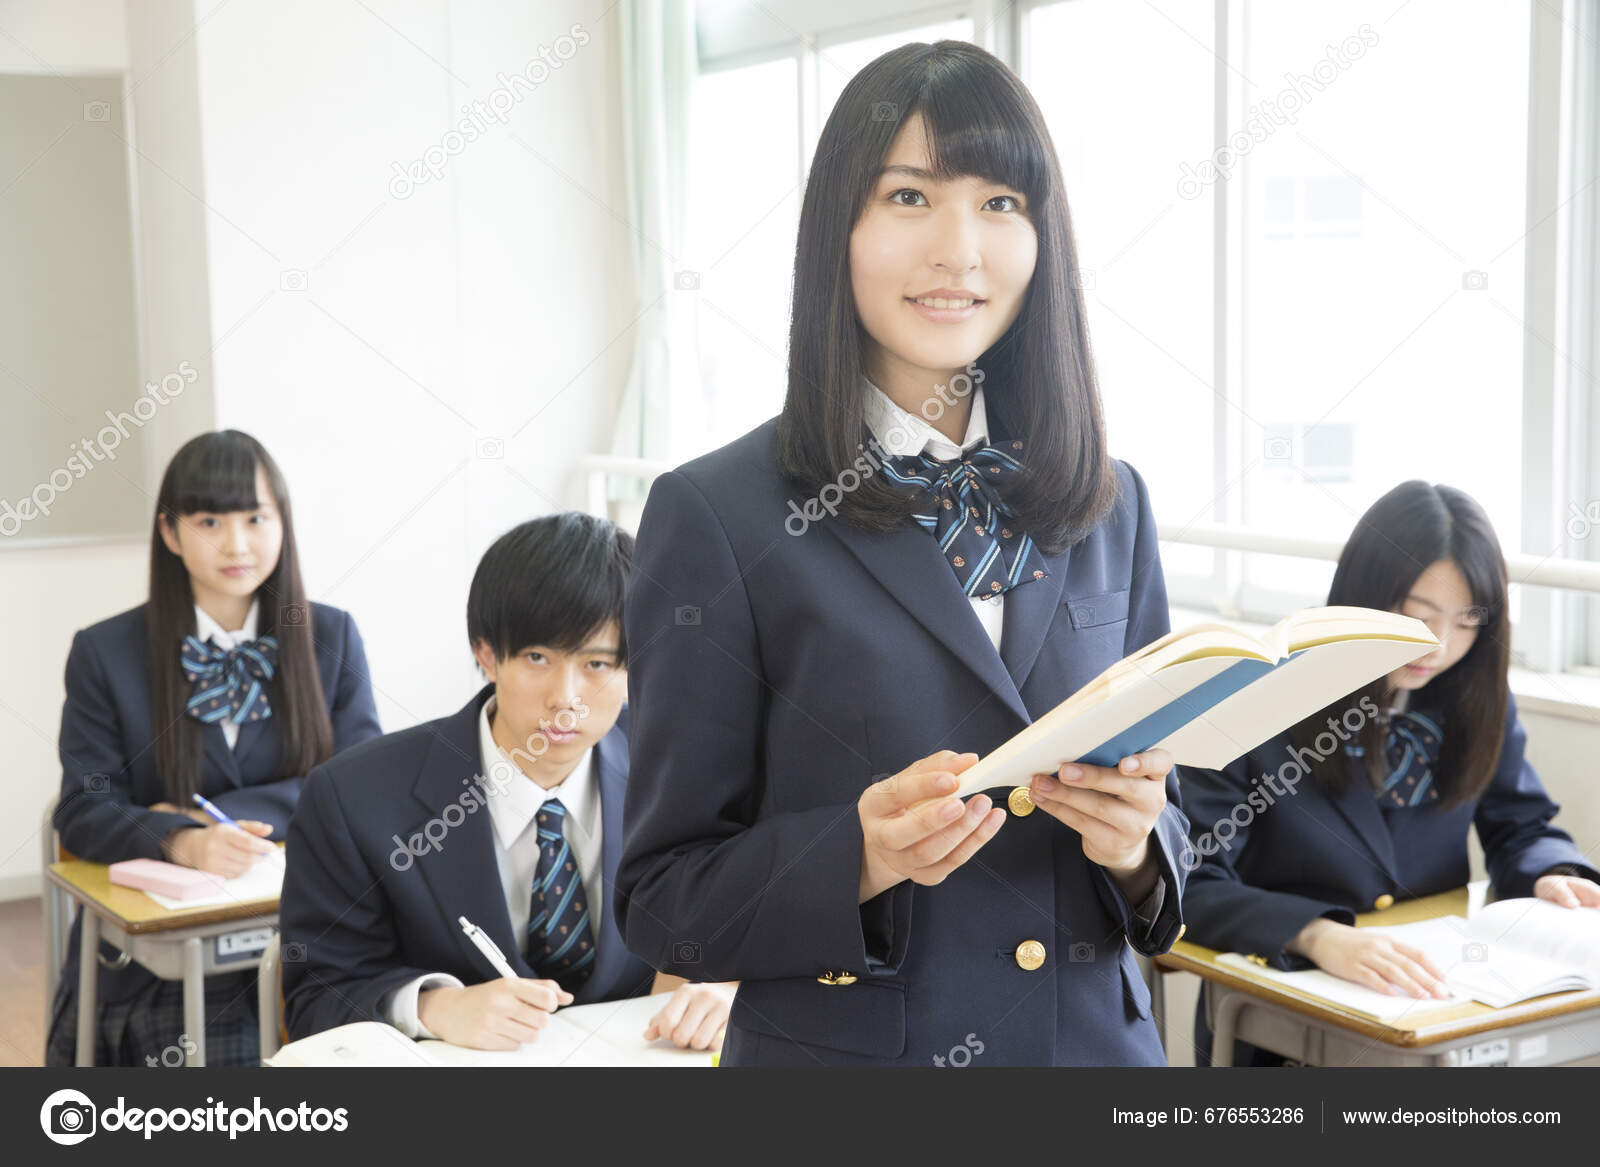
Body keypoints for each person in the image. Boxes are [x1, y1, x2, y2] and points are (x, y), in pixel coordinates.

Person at [614, 41, 1189, 1067]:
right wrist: (859, 857)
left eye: (1001, 202)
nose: (960, 251)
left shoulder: (1112, 499)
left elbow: (1167, 822)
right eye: (911, 197)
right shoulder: (717, 514)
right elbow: (662, 902)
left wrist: (1138, 846)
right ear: (838, 225)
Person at [1181, 481, 1600, 1065]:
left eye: (1467, 622)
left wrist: (1551, 871)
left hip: (1440, 1005)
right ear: (1364, 594)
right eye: (1417, 617)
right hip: (1289, 1014)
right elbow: (1187, 881)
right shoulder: (1254, 697)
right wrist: (1315, 934)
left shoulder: (1473, 697)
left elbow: (1521, 824)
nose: (1440, 646)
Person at [281, 514, 736, 1052]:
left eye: (597, 664)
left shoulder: (686, 769)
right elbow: (314, 997)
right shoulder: (353, 798)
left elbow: (744, 930)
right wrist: (433, 1006)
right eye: (538, 658)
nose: (565, 698)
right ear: (486, 653)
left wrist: (729, 990)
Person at [47, 429, 380, 1066]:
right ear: (171, 535)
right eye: (209, 521)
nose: (237, 543)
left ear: (282, 523)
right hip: (164, 954)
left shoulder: (331, 634)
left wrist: (222, 813)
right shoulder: (106, 652)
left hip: (314, 930)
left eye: (257, 517)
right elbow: (83, 808)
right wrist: (181, 839)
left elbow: (364, 784)